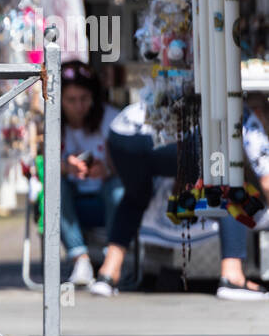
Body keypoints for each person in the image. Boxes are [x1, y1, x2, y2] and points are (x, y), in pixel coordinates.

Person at [92, 99, 268, 300]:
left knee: (136, 196)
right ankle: (233, 277)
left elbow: (111, 155)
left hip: (122, 132)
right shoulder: (245, 117)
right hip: (177, 137)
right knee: (232, 186)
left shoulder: (199, 98)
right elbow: (267, 183)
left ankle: (107, 274)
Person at [59, 62, 123, 286]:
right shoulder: (53, 123)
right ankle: (81, 260)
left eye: (84, 99)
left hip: (106, 197)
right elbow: (43, 165)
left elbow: (129, 165)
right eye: (71, 100)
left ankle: (112, 258)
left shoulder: (112, 119)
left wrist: (106, 169)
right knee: (54, 188)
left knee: (118, 189)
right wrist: (67, 167)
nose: (78, 107)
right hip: (74, 201)